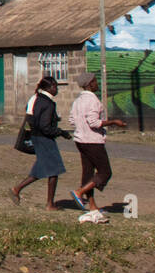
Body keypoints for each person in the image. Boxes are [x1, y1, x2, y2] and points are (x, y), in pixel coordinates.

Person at [69, 71, 127, 224]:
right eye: (95, 81)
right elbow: (94, 123)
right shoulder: (93, 101)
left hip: (80, 140)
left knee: (88, 174)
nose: (97, 83)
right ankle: (79, 192)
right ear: (89, 84)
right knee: (105, 172)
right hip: (93, 141)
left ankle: (92, 207)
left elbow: (71, 120)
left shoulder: (77, 101)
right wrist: (114, 122)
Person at [10, 76, 70, 210]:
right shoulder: (48, 103)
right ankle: (50, 204)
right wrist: (60, 132)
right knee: (54, 170)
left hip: (36, 137)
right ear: (50, 87)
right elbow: (45, 126)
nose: (57, 89)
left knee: (41, 169)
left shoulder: (36, 99)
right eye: (55, 87)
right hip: (45, 139)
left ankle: (17, 189)